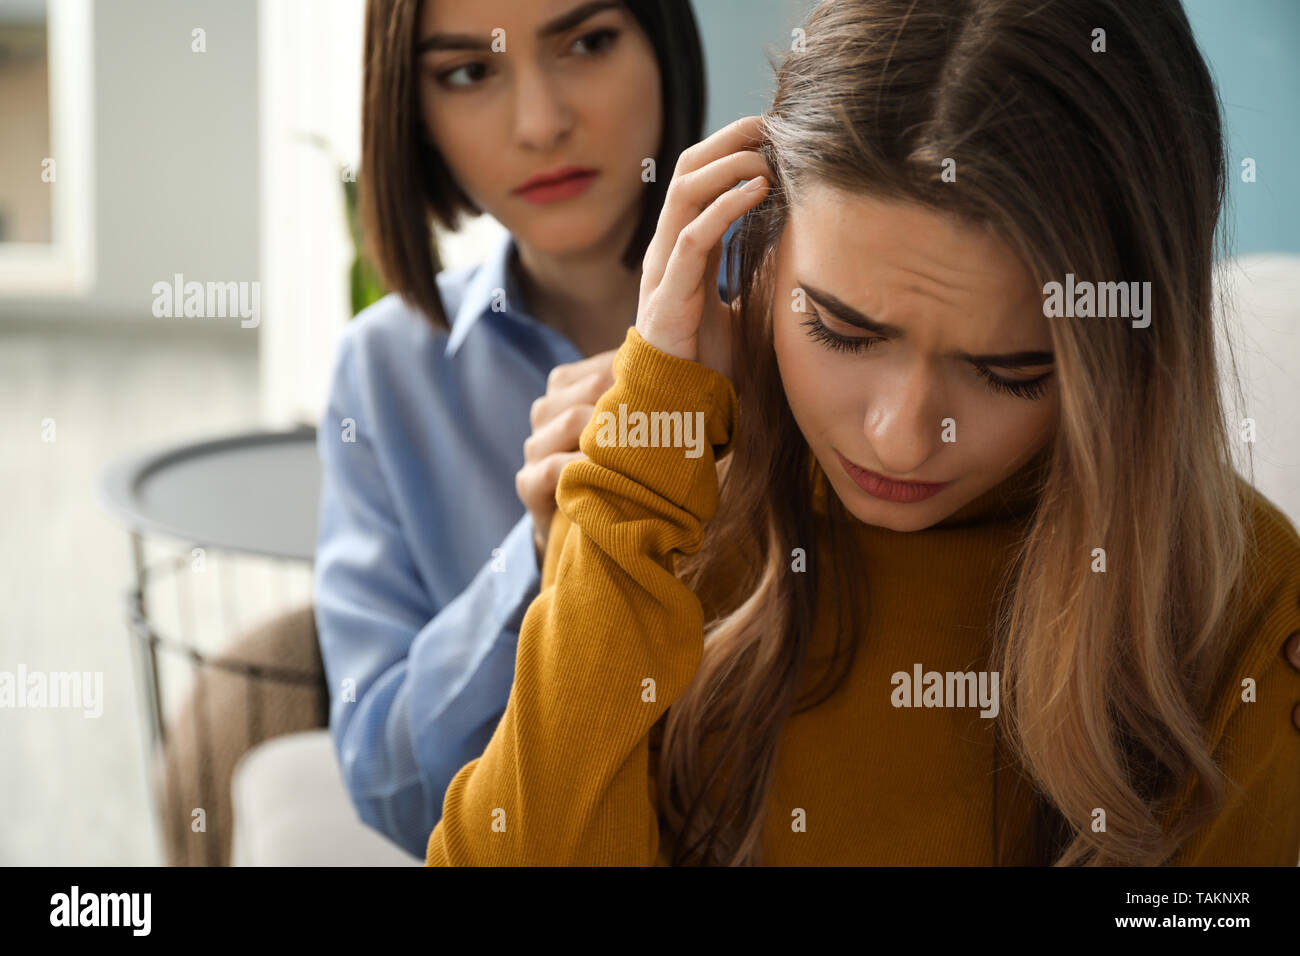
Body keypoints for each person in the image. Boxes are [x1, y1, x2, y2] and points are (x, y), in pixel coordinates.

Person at [426, 0, 1300, 865]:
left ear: (1135, 353)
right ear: (756, 250)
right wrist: (620, 501)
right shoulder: (667, 501)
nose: (901, 439)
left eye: (1010, 372)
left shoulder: (1248, 607)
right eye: (843, 331)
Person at [312, 0, 706, 858]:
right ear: (412, 112)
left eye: (588, 43)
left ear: (665, 41)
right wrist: (537, 559)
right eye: (468, 72)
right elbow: (388, 786)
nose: (540, 123)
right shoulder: (384, 374)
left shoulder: (820, 326)